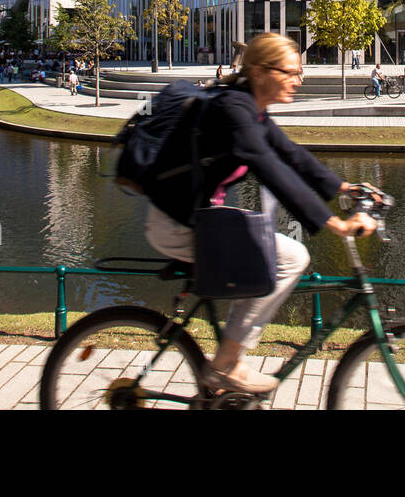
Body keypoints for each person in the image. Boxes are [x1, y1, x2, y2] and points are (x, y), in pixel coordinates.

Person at [141, 33, 376, 395]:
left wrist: (344, 188)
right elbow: (268, 167)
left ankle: (223, 367)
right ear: (261, 71)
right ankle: (227, 364)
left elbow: (290, 154)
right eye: (291, 72)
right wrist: (336, 224)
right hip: (176, 224)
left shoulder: (251, 107)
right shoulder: (233, 109)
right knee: (291, 256)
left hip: (201, 217)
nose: (299, 81)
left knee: (275, 255)